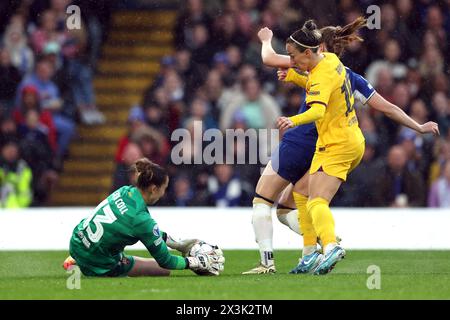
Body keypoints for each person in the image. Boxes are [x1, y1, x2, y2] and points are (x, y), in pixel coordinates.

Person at [244, 19, 439, 275]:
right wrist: (418, 126)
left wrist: (266, 40)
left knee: (269, 199)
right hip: (340, 141)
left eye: (296, 55)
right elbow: (388, 107)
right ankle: (310, 253)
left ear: (316, 48)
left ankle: (307, 250)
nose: (293, 60)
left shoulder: (315, 67)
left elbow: (272, 61)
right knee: (298, 199)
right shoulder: (344, 71)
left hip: (309, 140)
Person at [63, 158, 224, 277]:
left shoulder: (125, 191)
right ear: (154, 189)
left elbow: (146, 231)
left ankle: (79, 257)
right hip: (99, 263)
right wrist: (195, 262)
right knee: (163, 271)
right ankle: (88, 262)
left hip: (77, 242)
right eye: (164, 188)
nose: (164, 193)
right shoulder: (141, 220)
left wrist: (177, 244)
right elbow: (166, 261)